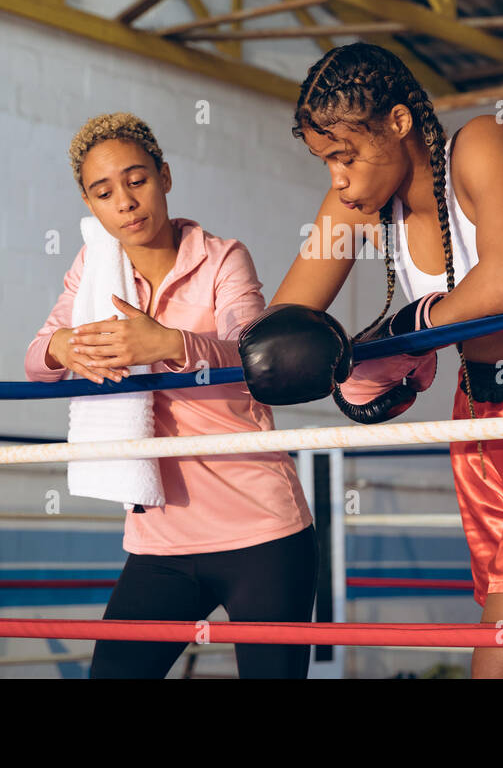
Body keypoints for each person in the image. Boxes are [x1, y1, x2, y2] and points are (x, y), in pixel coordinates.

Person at [264, 44, 503, 678]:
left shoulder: (482, 146)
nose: (338, 177)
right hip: (478, 420)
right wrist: (182, 347)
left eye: (345, 154)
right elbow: (281, 334)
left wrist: (404, 333)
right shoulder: (356, 204)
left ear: (399, 122)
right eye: (326, 160)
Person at [25, 112, 317, 679]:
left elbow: (255, 357)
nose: (126, 202)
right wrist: (63, 346)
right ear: (91, 206)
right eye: (104, 192)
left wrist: (169, 342)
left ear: (165, 176)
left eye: (137, 180)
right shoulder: (94, 268)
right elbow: (37, 361)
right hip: (161, 540)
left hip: (260, 530)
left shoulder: (223, 257)